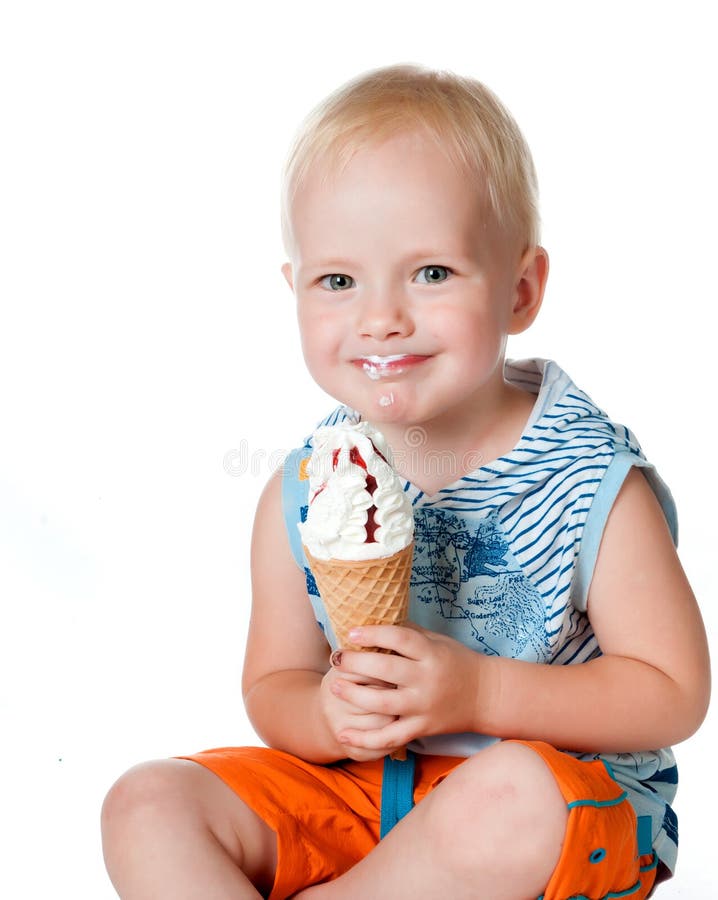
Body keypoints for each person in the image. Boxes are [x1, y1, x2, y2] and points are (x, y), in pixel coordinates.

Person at [101, 63, 710, 900]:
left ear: (521, 289)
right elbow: (274, 684)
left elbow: (672, 694)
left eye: (431, 273)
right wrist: (323, 717)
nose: (380, 315)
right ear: (295, 290)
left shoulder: (591, 478)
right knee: (146, 803)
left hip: (554, 802)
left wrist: (481, 689)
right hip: (365, 793)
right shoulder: (308, 489)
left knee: (513, 798)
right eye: (339, 281)